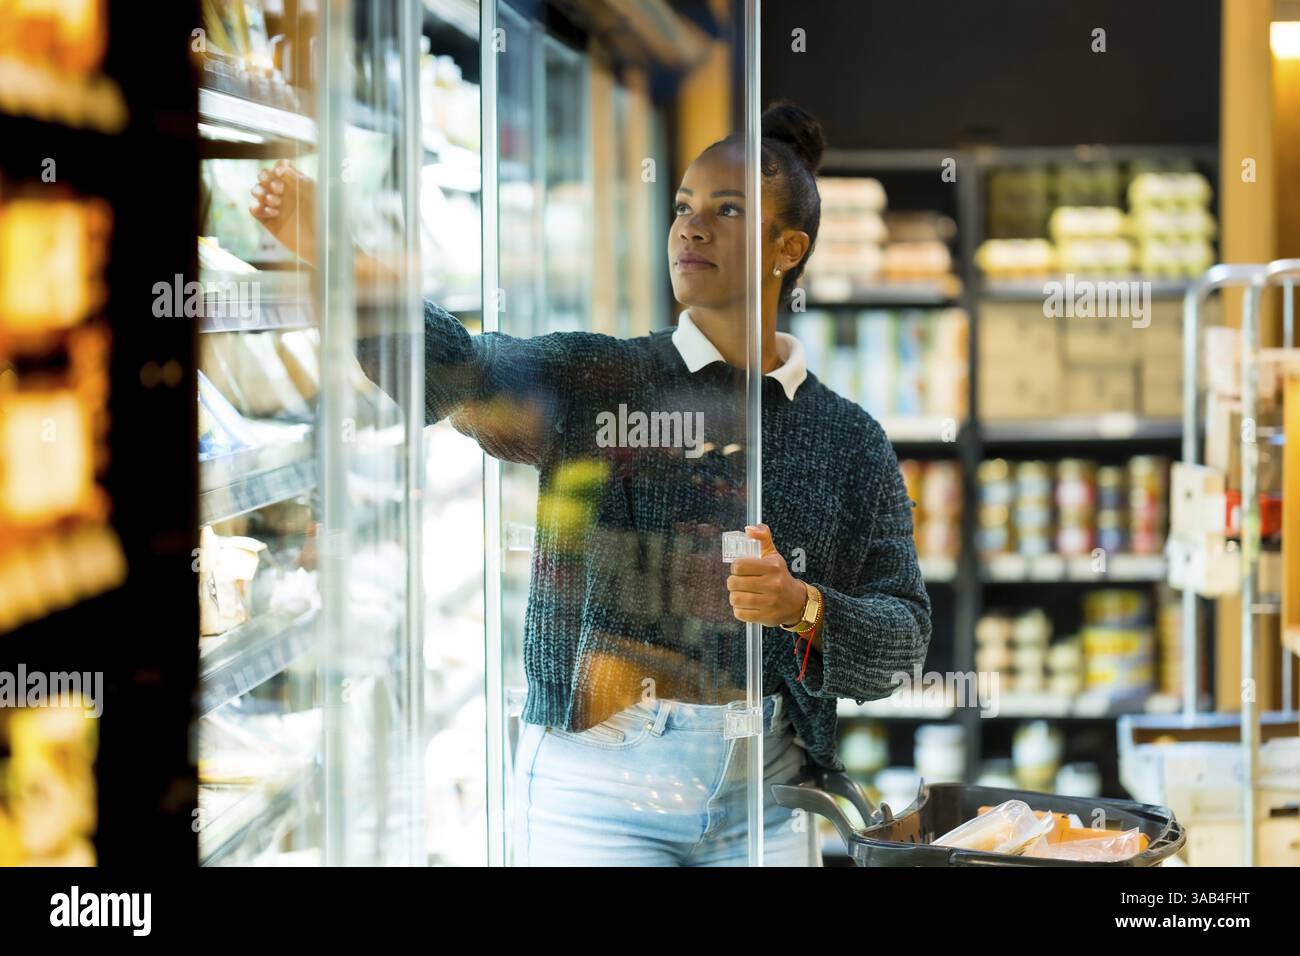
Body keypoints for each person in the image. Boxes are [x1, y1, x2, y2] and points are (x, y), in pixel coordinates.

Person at [249, 101, 931, 866]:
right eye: (682, 207)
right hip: (595, 798)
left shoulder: (848, 439)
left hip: (763, 800)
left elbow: (903, 640)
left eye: (726, 210)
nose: (690, 228)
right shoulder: (600, 376)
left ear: (787, 246)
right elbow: (457, 374)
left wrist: (801, 606)